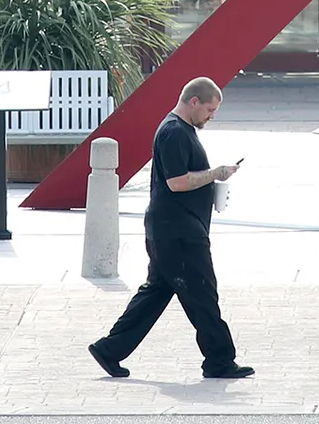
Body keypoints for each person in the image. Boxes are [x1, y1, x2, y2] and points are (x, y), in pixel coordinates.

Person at [90, 76, 251, 381]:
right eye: (209, 110)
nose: (211, 116)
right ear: (193, 102)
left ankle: (109, 349)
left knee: (155, 294)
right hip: (179, 233)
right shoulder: (175, 132)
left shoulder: (181, 130)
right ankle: (219, 360)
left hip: (170, 231)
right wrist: (216, 173)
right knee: (202, 294)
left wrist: (215, 177)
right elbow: (177, 183)